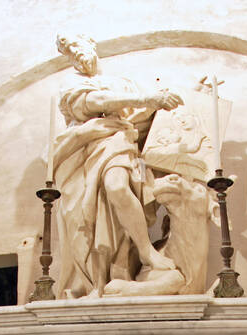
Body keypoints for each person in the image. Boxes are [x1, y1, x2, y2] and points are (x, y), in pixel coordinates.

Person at [51, 34, 183, 297]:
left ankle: (146, 252)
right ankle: (97, 281)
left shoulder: (122, 83)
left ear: (91, 45)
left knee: (117, 187)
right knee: (86, 219)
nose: (77, 55)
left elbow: (142, 116)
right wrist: (147, 99)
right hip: (82, 153)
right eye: (71, 53)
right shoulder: (70, 87)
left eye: (78, 47)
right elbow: (95, 103)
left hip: (117, 143)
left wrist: (170, 99)